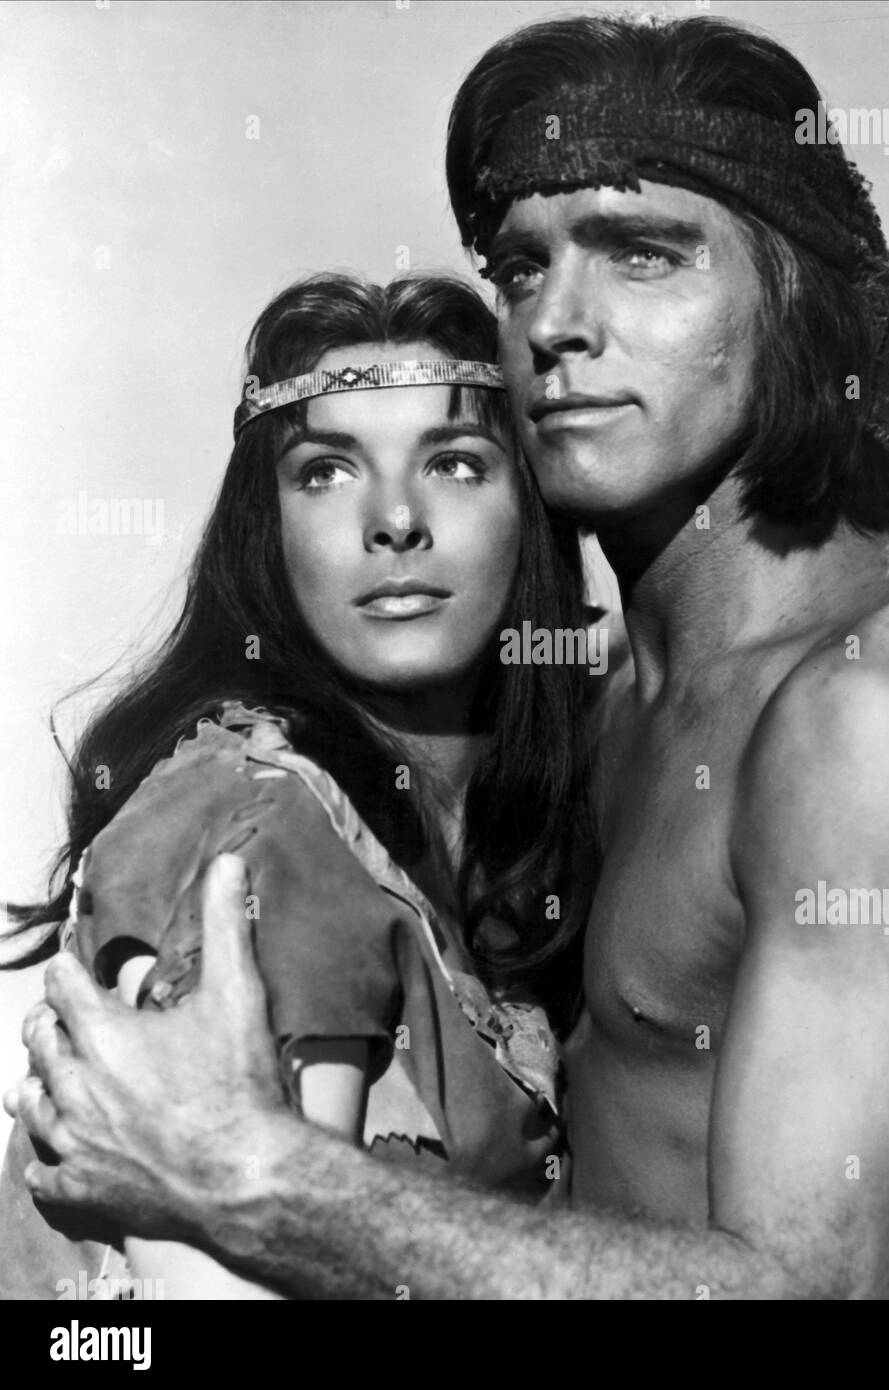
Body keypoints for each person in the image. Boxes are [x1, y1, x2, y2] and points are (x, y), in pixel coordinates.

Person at [8, 13, 889, 1300]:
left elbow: (821, 1296)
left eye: (643, 254)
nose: (555, 323)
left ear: (793, 296)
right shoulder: (590, 697)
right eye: (522, 268)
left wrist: (258, 1181)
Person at [0, 271, 596, 1298]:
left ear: (530, 515)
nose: (395, 518)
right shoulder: (270, 824)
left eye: (454, 463)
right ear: (265, 531)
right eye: (325, 471)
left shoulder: (467, 839)